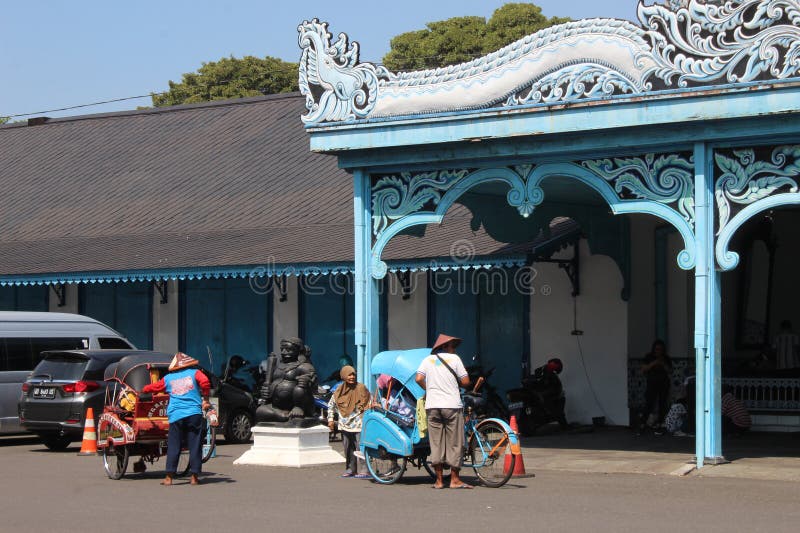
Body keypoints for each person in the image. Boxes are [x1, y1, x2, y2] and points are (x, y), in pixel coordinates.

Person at [141, 352, 211, 486]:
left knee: (174, 445)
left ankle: (169, 477)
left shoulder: (168, 378)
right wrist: (206, 398)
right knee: (195, 445)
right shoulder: (195, 373)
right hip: (193, 414)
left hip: (176, 415)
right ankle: (194, 477)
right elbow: (205, 382)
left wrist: (143, 389)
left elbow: (155, 387)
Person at [416, 333, 472, 490]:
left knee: (436, 443)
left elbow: (419, 378)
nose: (454, 349)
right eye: (452, 346)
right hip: (451, 405)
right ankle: (454, 480)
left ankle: (439, 481)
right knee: (455, 442)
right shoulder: (455, 360)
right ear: (445, 347)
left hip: (433, 406)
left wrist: (430, 390)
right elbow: (466, 381)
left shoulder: (427, 360)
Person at [328, 365, 371, 478]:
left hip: (359, 424)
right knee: (348, 448)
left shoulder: (361, 388)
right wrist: (331, 420)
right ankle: (350, 469)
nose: (352, 377)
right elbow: (331, 405)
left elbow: (369, 402)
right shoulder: (338, 391)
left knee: (360, 448)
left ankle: (365, 470)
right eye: (349, 374)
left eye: (353, 374)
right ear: (343, 376)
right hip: (344, 425)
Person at [640, 340, 672, 430]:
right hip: (652, 383)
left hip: (664, 383)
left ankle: (660, 423)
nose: (658, 351)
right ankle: (643, 422)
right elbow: (643, 369)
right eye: (657, 349)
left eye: (660, 349)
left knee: (662, 403)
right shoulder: (649, 357)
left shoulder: (666, 358)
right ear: (654, 349)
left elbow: (670, 371)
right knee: (649, 403)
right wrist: (654, 363)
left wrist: (662, 363)